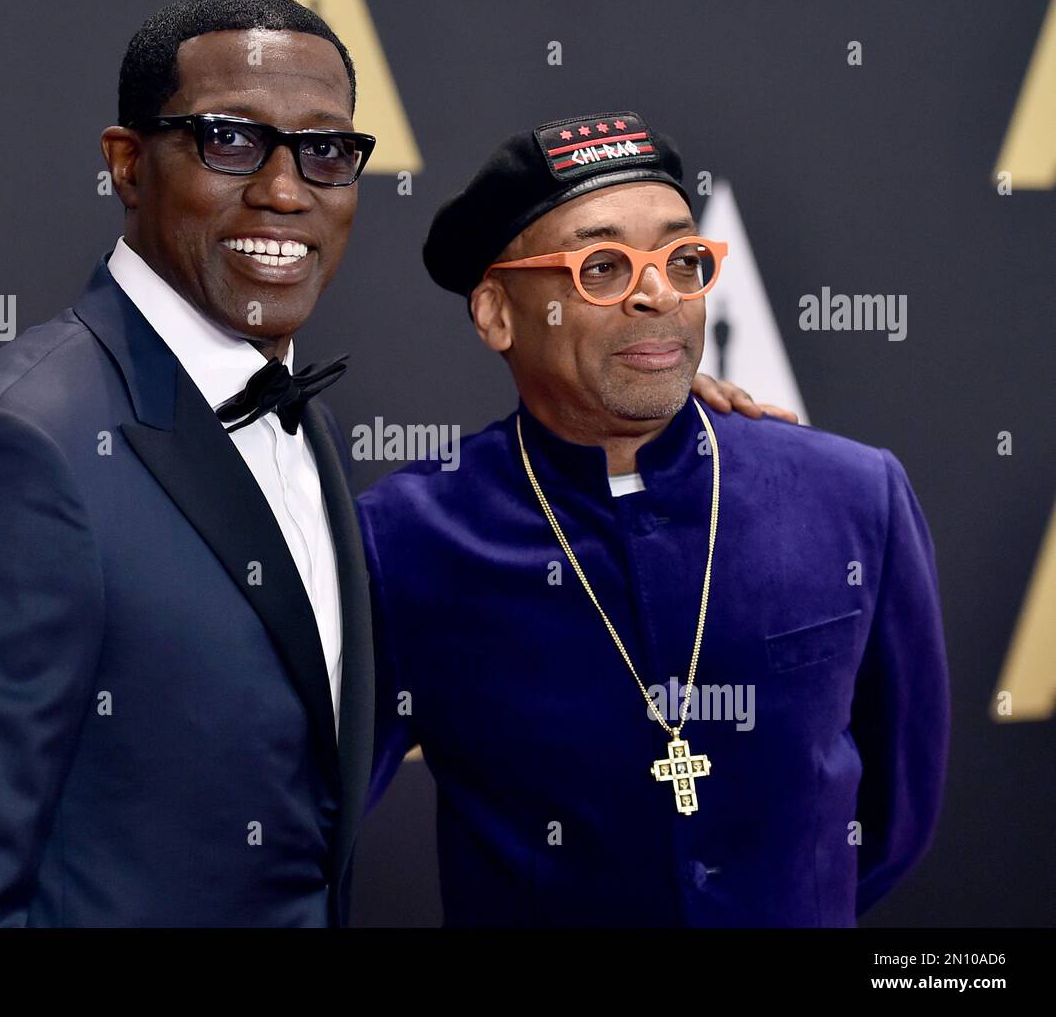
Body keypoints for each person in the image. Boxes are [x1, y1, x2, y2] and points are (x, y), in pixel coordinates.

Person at [0, 0, 781, 927]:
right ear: (127, 165)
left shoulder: (302, 424)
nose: (285, 192)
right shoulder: (15, 447)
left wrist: (648, 400)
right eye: (229, 140)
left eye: (325, 151)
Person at [358, 111, 950, 926]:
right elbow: (308, 818)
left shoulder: (852, 494)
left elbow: (894, 817)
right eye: (602, 267)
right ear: (497, 313)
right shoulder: (405, 538)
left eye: (682, 260)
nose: (658, 293)